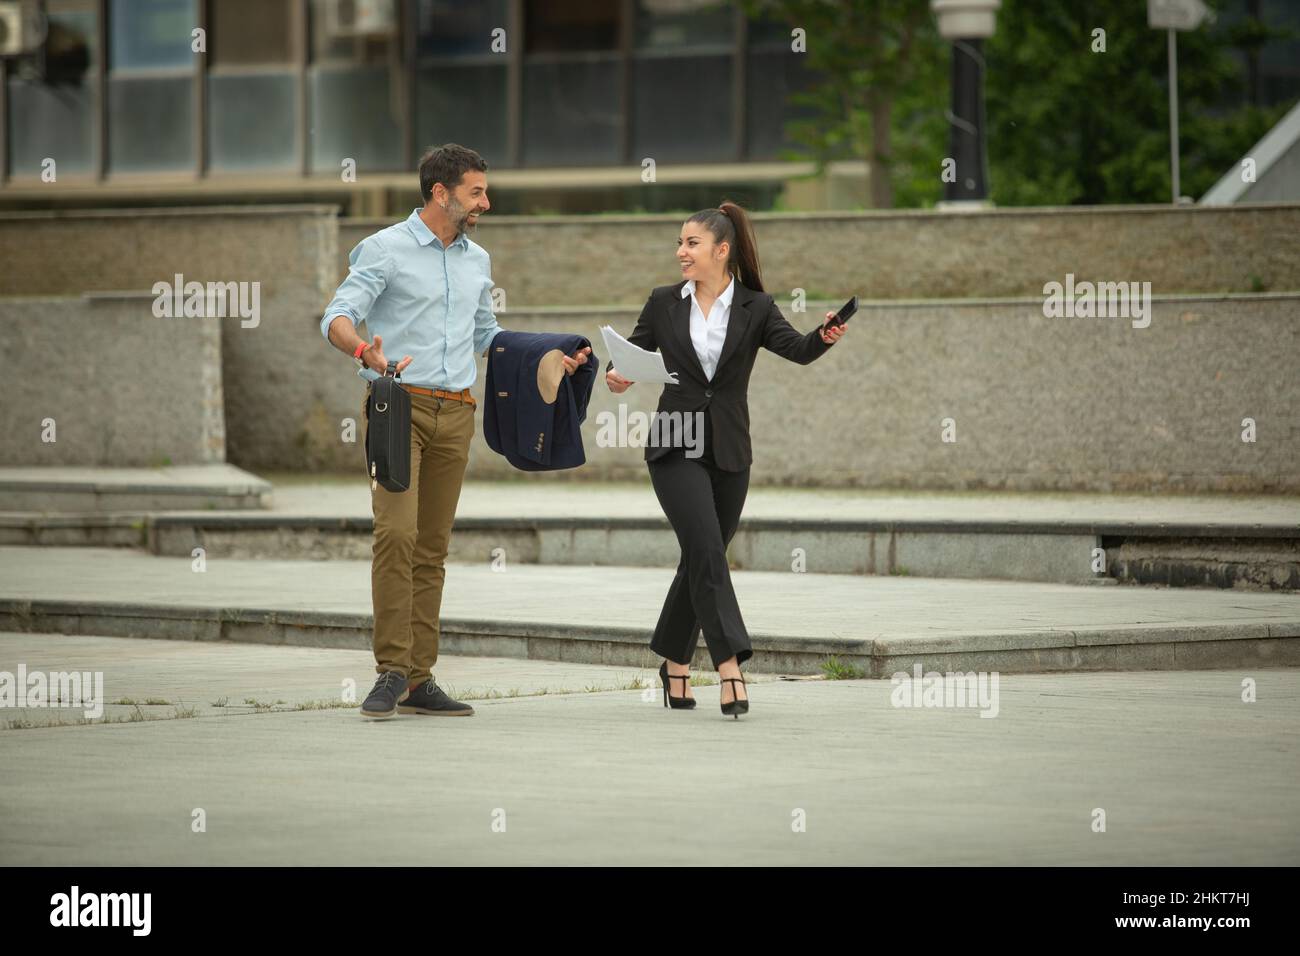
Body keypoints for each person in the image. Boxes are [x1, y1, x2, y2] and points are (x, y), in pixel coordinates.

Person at [320, 143, 590, 720]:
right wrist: (366, 351)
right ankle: (391, 670)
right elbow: (336, 316)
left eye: (484, 192)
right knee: (397, 534)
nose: (485, 203)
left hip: (457, 413)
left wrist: (551, 356)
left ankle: (420, 680)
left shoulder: (477, 260)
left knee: (432, 547)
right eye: (476, 192)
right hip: (399, 407)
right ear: (440, 193)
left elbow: (488, 334)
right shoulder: (385, 248)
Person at [606, 201, 846, 719]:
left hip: (731, 450)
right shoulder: (664, 302)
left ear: (722, 250)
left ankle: (672, 662)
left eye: (691, 243)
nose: (680, 253)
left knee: (702, 554)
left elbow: (799, 349)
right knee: (709, 552)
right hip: (675, 442)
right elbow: (627, 355)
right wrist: (617, 374)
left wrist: (824, 337)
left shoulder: (756, 307)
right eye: (679, 243)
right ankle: (731, 666)